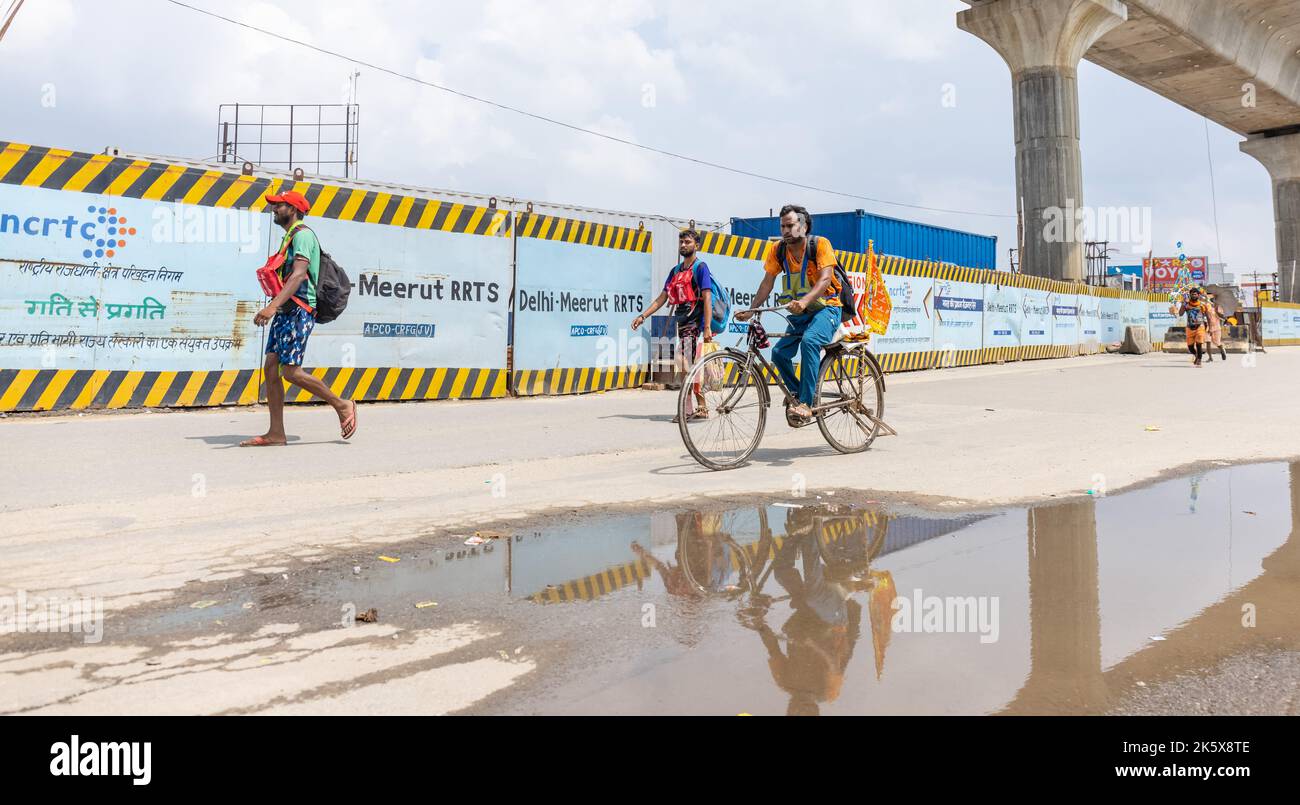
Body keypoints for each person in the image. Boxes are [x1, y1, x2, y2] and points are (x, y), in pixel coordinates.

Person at [241, 190, 357, 446]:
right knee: (271, 368)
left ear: (293, 209)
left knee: (291, 372)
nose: (274, 209)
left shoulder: (303, 235)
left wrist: (271, 307)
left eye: (279, 205)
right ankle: (276, 433)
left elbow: (298, 275)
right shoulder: (290, 237)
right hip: (286, 311)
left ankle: (342, 405)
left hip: (298, 310)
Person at [734, 205, 843, 422]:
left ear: (803, 226)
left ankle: (806, 403)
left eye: (790, 225)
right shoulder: (778, 250)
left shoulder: (820, 244)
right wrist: (752, 309)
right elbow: (767, 283)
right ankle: (803, 394)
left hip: (827, 308)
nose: (785, 230)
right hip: (801, 315)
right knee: (779, 355)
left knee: (810, 342)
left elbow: (824, 280)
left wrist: (803, 301)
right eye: (782, 226)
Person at [631, 229, 713, 423]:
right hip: (682, 323)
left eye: (687, 242)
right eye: (681, 242)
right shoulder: (676, 271)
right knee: (688, 366)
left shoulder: (701, 268)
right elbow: (662, 298)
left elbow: (707, 297)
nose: (683, 245)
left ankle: (687, 409)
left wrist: (707, 326)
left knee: (681, 361)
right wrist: (643, 316)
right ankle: (700, 406)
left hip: (695, 323)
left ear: (697, 245)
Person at [1178, 287, 1209, 367]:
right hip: (1189, 327)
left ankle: (1199, 360)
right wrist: (1183, 304)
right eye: (1192, 294)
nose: (1194, 296)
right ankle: (1196, 355)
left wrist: (1210, 326)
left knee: (1199, 344)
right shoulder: (1187, 305)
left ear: (1198, 295)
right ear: (1190, 295)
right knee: (1190, 347)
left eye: (1195, 294)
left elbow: (1208, 316)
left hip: (1200, 326)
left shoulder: (1202, 305)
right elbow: (1180, 314)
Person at [1204, 292, 1228, 362]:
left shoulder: (1219, 307)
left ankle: (1221, 349)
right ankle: (1210, 357)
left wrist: (1217, 311)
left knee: (1216, 342)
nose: (1213, 299)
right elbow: (1205, 314)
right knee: (1208, 341)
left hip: (1216, 327)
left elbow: (1223, 317)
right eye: (1213, 298)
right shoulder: (1207, 305)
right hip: (1208, 326)